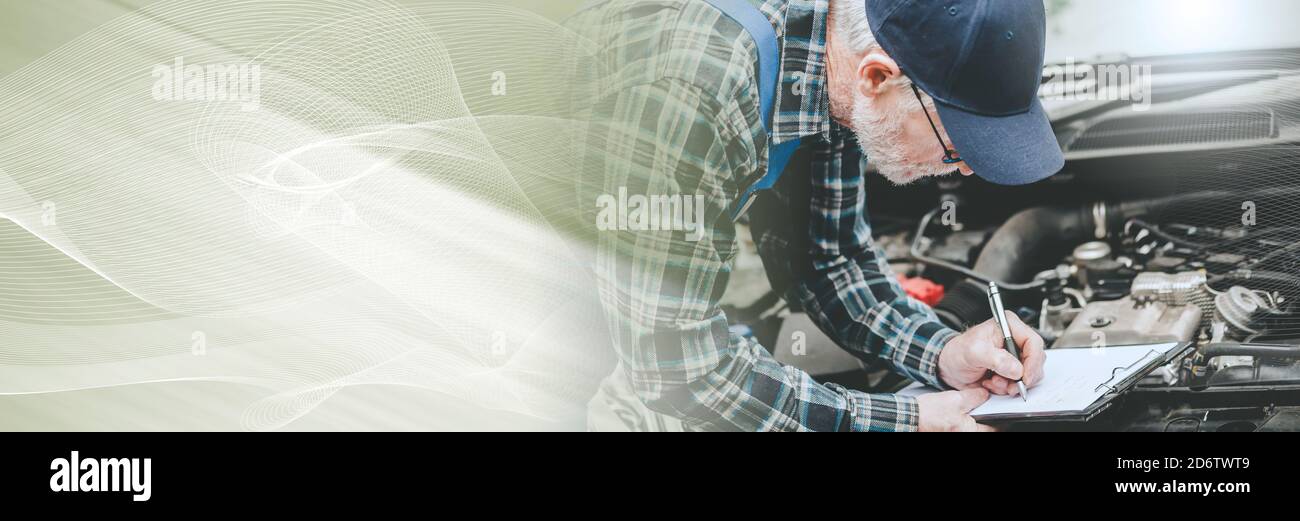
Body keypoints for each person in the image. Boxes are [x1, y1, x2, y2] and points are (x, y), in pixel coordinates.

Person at [573, 0, 1061, 431]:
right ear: (878, 77)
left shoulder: (832, 71)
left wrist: (943, 354)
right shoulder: (691, 91)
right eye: (956, 148)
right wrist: (905, 422)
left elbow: (829, 262)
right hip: (529, 303)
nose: (969, 169)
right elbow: (679, 367)